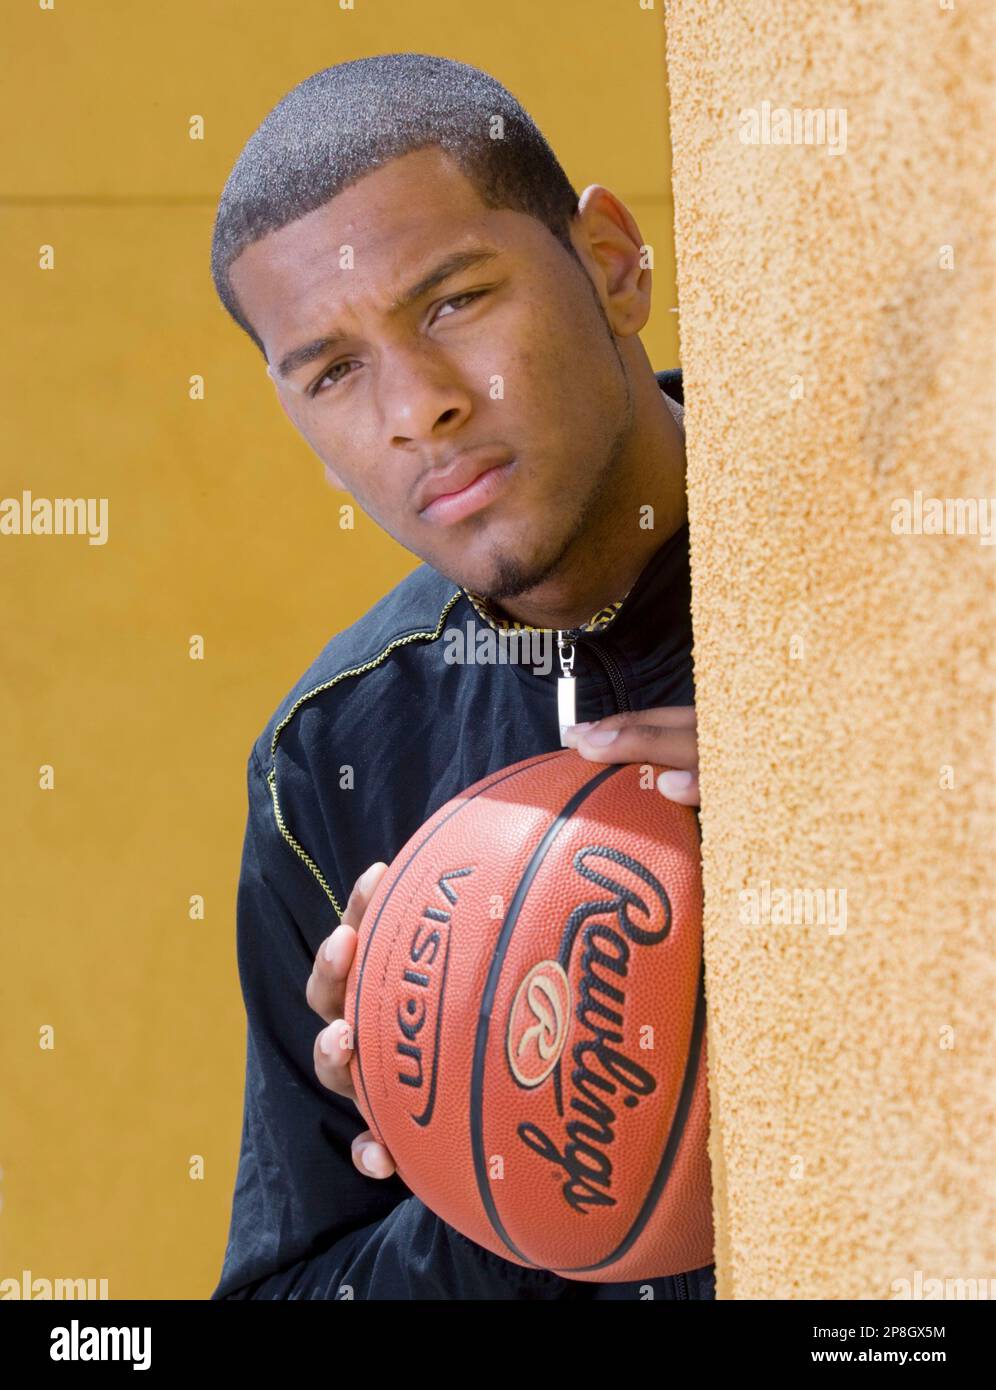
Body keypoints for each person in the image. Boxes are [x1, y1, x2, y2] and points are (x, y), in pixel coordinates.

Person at [209, 52, 712, 1300]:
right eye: (332, 372)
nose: (416, 407)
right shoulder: (331, 758)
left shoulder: (904, 583)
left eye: (451, 303)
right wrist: (483, 1143)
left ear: (611, 261)